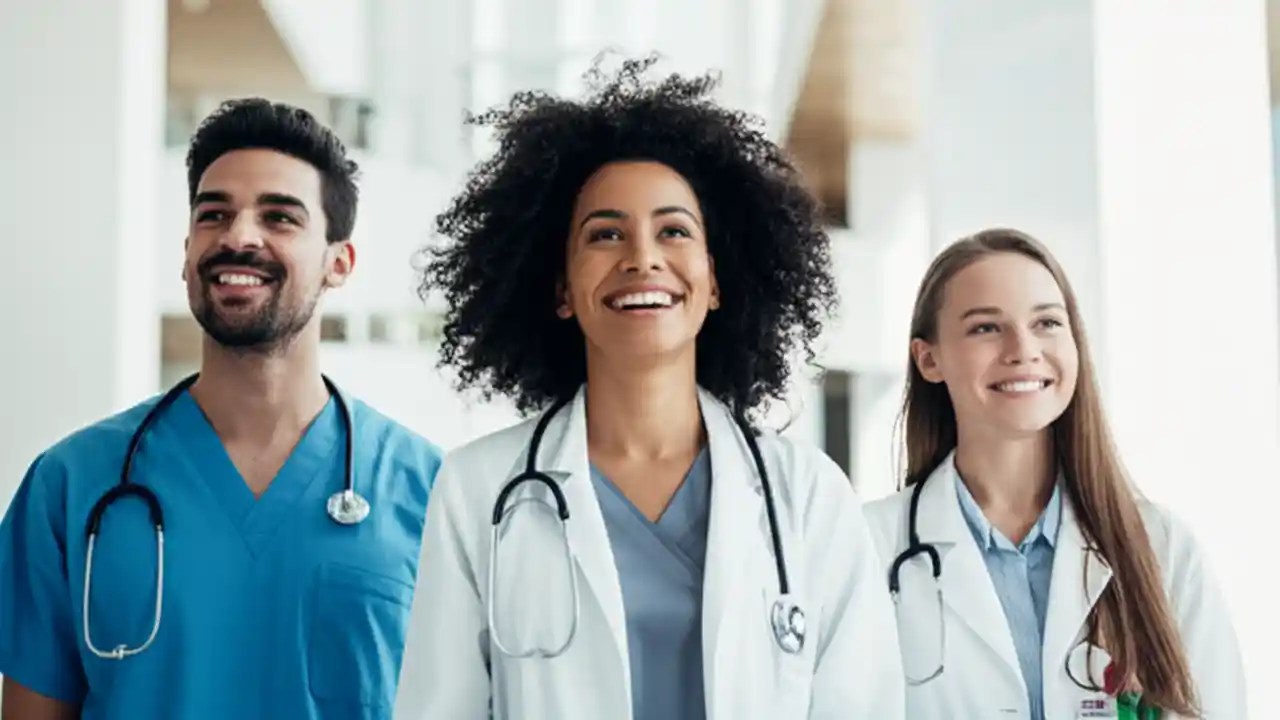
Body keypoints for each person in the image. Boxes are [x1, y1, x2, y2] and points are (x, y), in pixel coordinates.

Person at [392, 56, 904, 720]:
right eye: (605, 234)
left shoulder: (807, 497)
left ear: (715, 282)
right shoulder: (478, 492)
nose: (642, 257)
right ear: (560, 290)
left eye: (674, 231)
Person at [0, 99, 443, 720]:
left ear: (338, 262)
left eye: (280, 217)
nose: (238, 236)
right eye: (215, 215)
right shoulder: (71, 485)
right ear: (187, 254)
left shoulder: (430, 493)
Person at [864, 228, 1245, 719]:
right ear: (929, 359)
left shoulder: (1163, 546)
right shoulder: (870, 546)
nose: (1023, 349)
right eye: (986, 328)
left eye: (1046, 322)